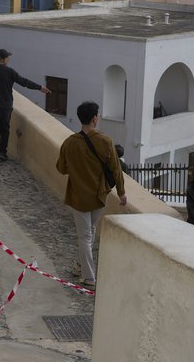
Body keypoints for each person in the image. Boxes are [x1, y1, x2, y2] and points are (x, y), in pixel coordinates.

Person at [56, 101, 127, 289]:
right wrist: (121, 192)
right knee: (91, 231)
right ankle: (81, 266)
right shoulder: (105, 141)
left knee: (85, 236)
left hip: (79, 196)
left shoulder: (70, 142)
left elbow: (61, 168)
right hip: (99, 195)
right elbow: (116, 169)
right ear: (95, 118)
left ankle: (89, 277)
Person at [0, 48, 49, 164]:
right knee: (5, 130)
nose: (9, 59)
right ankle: (3, 153)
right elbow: (24, 82)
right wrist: (40, 88)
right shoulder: (10, 71)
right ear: (4, 59)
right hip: (5, 106)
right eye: (8, 57)